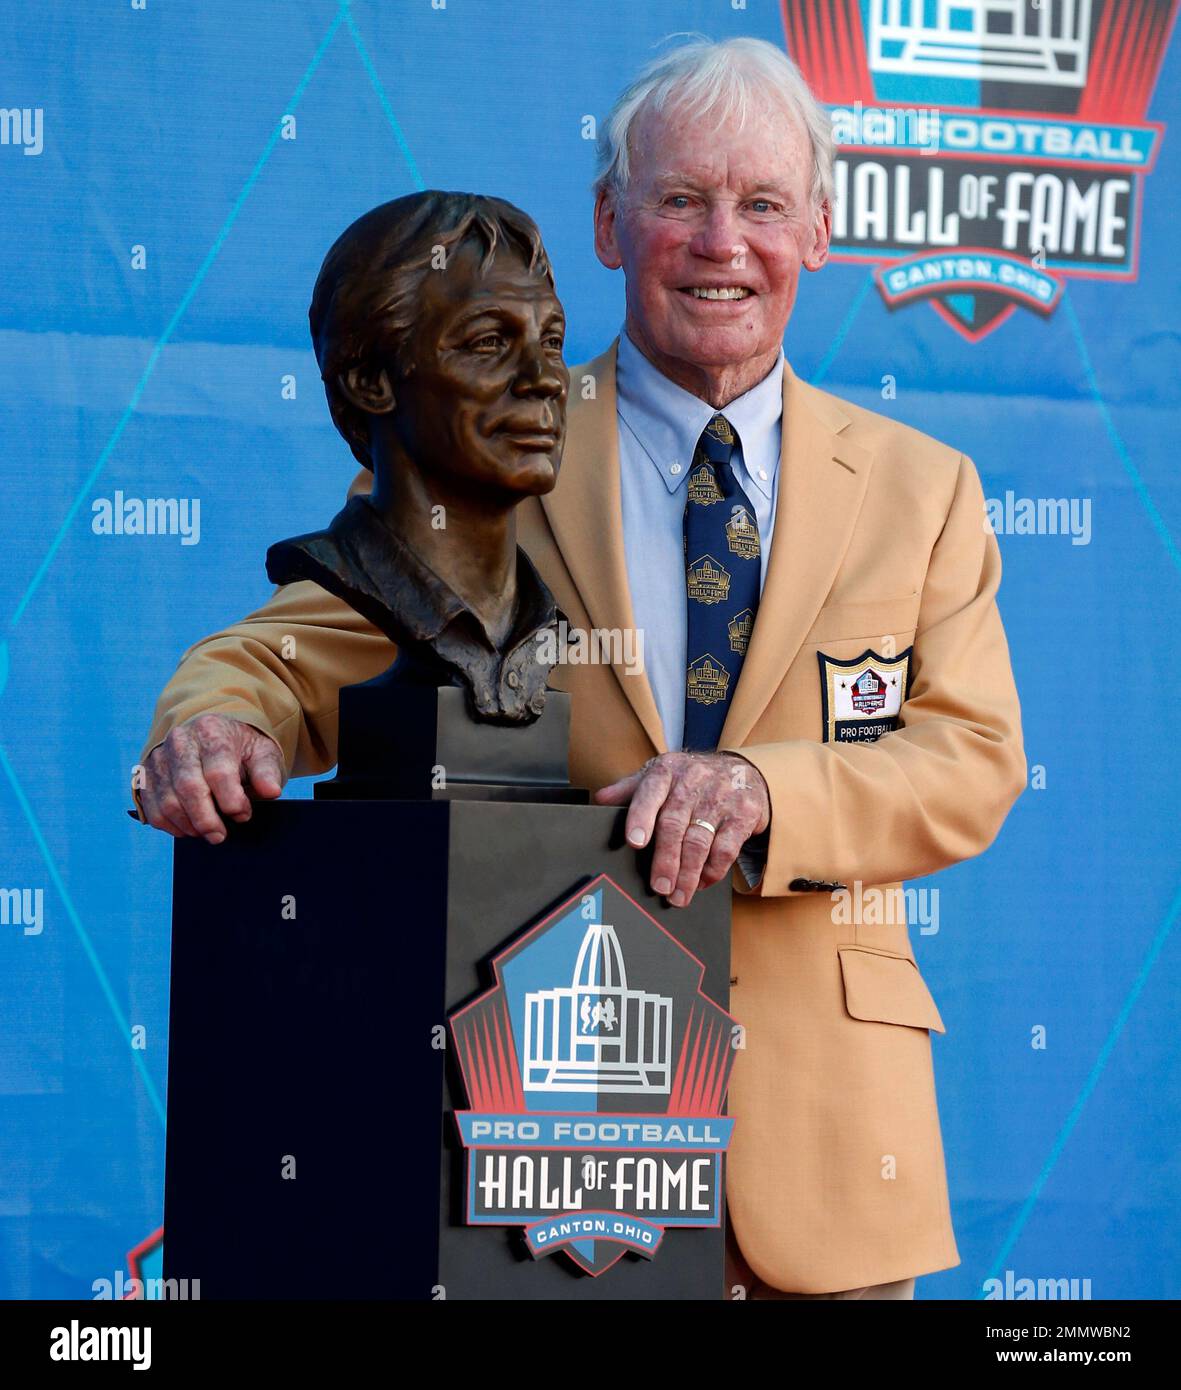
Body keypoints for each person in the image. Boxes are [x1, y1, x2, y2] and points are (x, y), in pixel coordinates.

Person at [135, 36, 1025, 1299]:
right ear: (610, 223)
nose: (724, 241)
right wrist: (216, 722)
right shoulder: (487, 438)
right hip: (552, 1163)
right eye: (680, 200)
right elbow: (278, 653)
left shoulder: (922, 490)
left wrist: (766, 790)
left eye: (762, 203)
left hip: (831, 1170)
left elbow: (972, 759)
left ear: (818, 231)